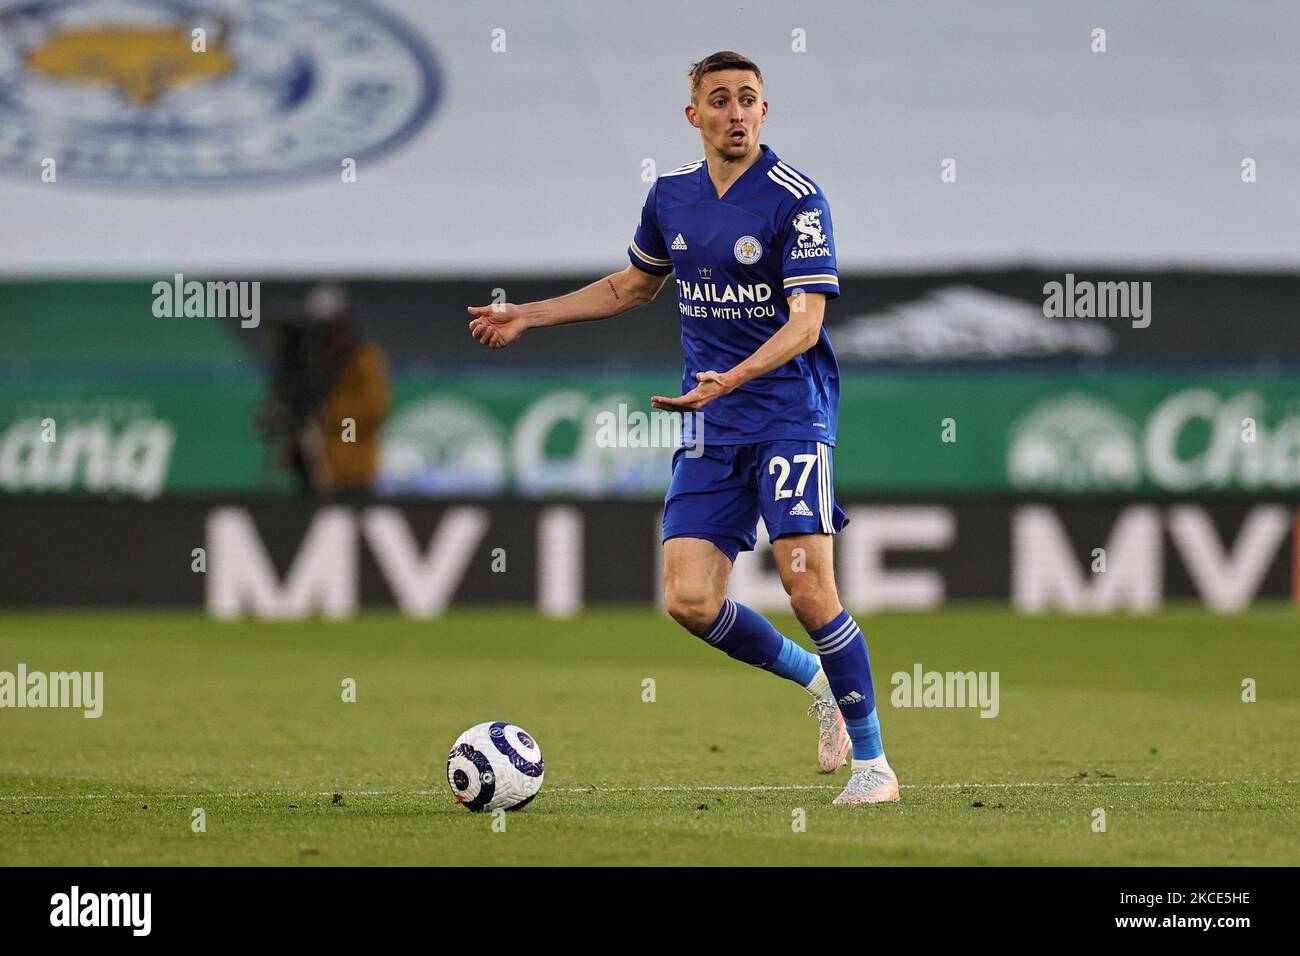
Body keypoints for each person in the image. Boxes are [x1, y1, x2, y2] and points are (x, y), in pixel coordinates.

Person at [467, 52, 897, 804]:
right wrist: (527, 315)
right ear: (694, 115)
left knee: (807, 587)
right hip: (710, 424)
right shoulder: (671, 197)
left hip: (789, 414)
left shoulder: (797, 200)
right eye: (720, 100)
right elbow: (631, 285)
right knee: (691, 599)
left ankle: (875, 768)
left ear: (766, 112)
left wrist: (731, 378)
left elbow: (806, 326)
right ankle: (820, 683)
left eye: (749, 100)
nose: (736, 112)